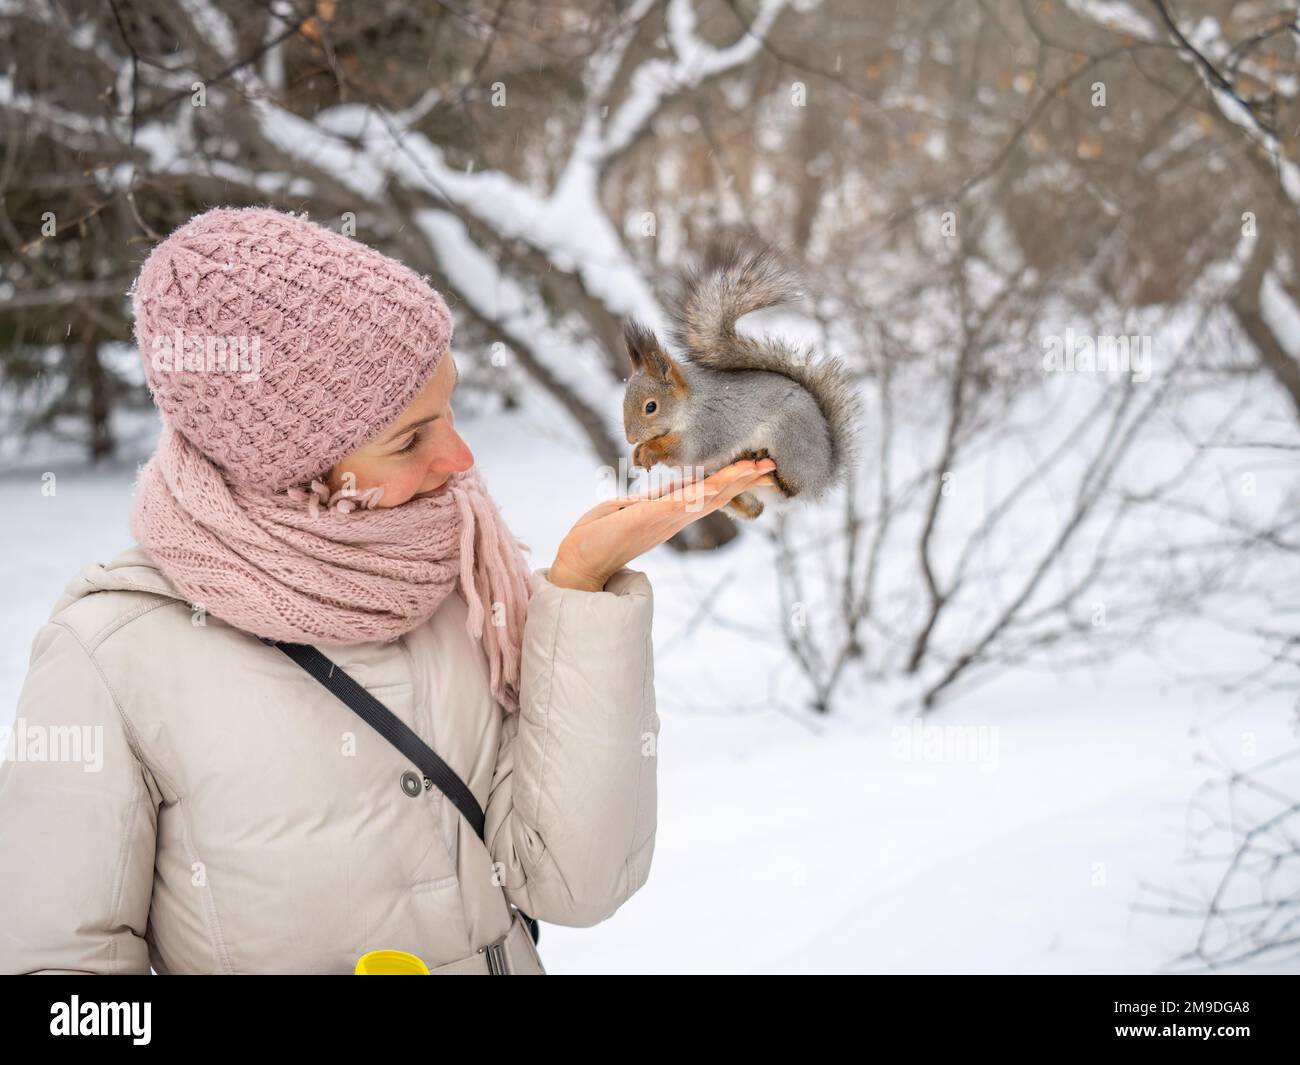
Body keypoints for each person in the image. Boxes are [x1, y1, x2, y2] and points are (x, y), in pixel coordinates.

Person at [0, 206, 777, 974]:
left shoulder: (467, 580)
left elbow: (573, 881)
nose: (461, 457)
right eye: (410, 437)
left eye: (449, 408)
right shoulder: (108, 659)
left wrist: (581, 589)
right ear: (288, 465)